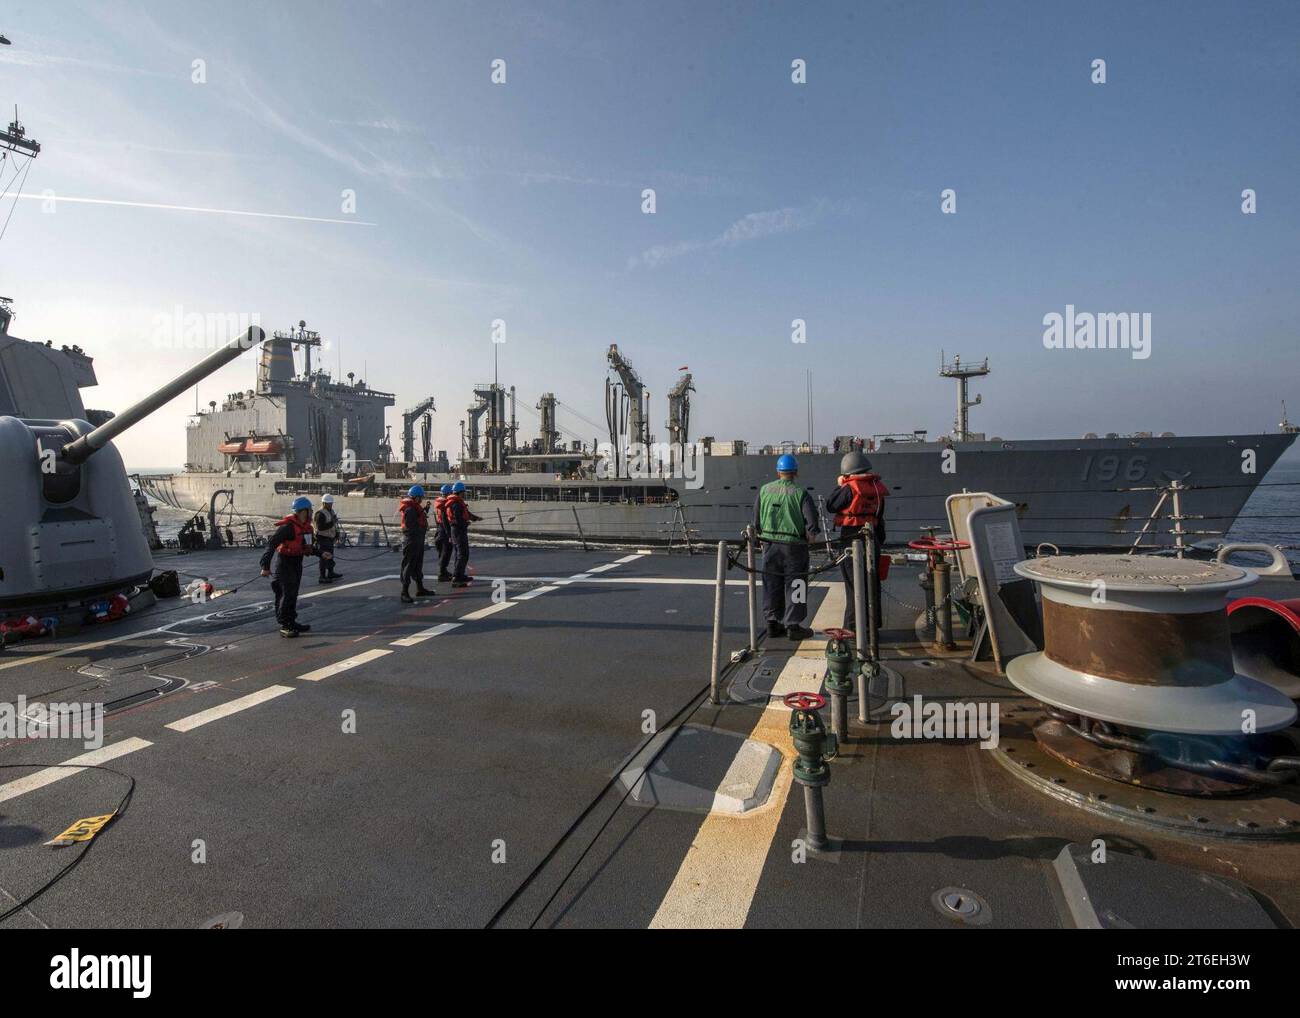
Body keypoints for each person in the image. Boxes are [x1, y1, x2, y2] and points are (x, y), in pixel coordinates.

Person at [754, 454, 820, 641]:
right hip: (794, 547)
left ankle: (772, 624)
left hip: (769, 546)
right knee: (797, 584)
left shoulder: (764, 490)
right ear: (796, 472)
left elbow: (756, 519)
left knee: (771, 584)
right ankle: (793, 625)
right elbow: (812, 521)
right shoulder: (800, 493)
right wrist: (811, 533)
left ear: (778, 471)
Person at [827, 450, 889, 632]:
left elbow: (831, 505)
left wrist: (839, 485)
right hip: (872, 538)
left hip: (851, 539)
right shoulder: (877, 488)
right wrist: (878, 541)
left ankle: (853, 627)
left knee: (854, 585)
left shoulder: (849, 488)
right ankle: (873, 625)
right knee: (873, 582)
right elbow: (880, 516)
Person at [260, 496, 326, 637]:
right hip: (284, 564)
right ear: (303, 511)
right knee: (286, 594)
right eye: (309, 510)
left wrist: (321, 554)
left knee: (293, 594)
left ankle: (291, 621)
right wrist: (265, 566)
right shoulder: (288, 527)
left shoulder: (305, 528)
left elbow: (306, 547)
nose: (311, 512)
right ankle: (285, 625)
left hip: (297, 563)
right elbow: (272, 544)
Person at [398, 484, 436, 603]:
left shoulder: (415, 508)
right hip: (411, 540)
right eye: (420, 497)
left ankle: (420, 588)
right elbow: (410, 526)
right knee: (408, 566)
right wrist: (421, 529)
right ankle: (404, 592)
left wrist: (425, 510)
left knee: (418, 565)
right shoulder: (409, 509)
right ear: (415, 497)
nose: (422, 499)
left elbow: (418, 517)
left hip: (418, 540)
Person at [445, 480, 482, 588]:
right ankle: (456, 578)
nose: (464, 494)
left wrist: (475, 518)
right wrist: (466, 523)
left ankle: (460, 575)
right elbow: (458, 519)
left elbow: (466, 514)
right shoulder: (456, 504)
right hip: (458, 531)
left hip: (457, 531)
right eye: (463, 492)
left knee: (460, 554)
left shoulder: (456, 503)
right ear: (460, 492)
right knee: (462, 554)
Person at [314, 493, 343, 584]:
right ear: (324, 503)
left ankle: (331, 573)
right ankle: (322, 577)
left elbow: (333, 525)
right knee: (324, 558)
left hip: (330, 538)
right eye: (329, 503)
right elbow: (320, 527)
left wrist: (337, 534)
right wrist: (332, 522)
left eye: (331, 503)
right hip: (322, 538)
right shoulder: (320, 514)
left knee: (330, 556)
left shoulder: (331, 511)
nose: (330, 505)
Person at [433, 483, 454, 582]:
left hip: (439, 530)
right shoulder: (445, 506)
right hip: (444, 532)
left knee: (443, 553)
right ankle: (442, 574)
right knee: (446, 552)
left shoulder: (440, 504)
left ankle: (444, 571)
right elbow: (445, 521)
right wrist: (449, 535)